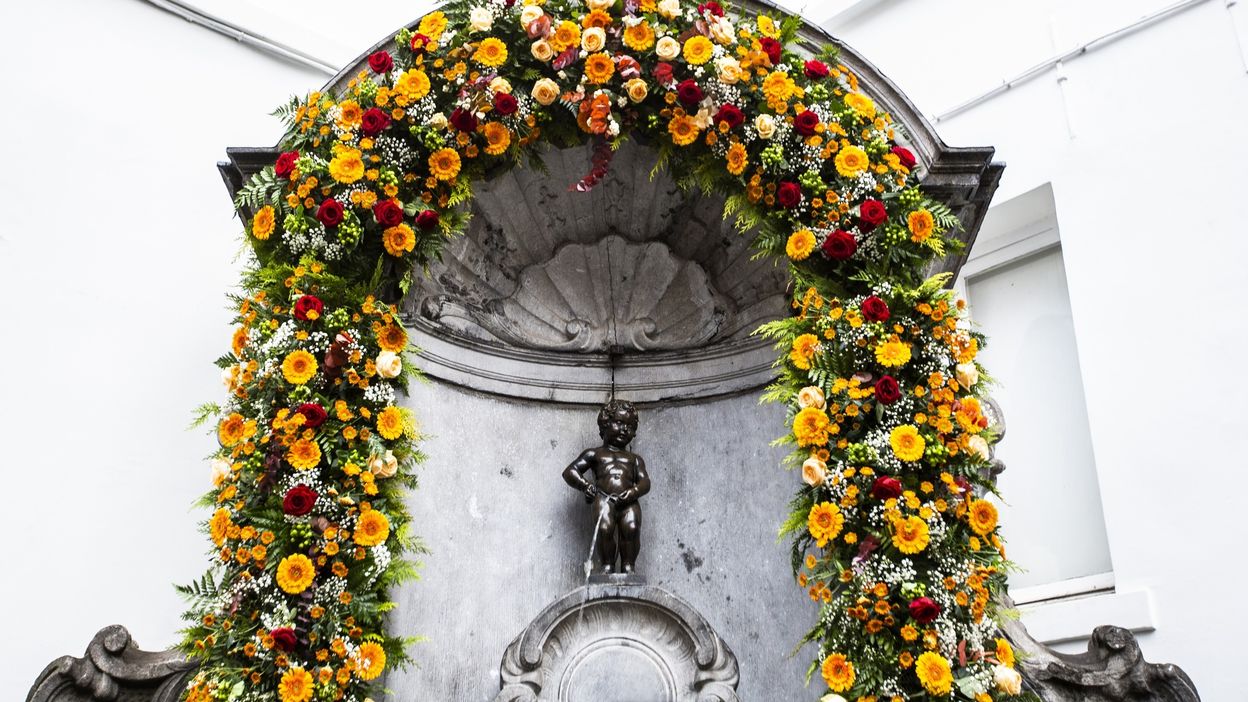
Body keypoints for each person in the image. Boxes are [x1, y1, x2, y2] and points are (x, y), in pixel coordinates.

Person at [562, 400, 650, 574]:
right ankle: (607, 565)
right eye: (619, 423)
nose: (624, 429)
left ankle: (628, 566)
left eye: (630, 426)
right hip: (604, 498)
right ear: (605, 424)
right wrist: (585, 486)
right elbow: (570, 471)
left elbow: (645, 482)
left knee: (631, 528)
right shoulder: (595, 453)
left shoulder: (635, 459)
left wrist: (633, 492)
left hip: (629, 500)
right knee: (604, 529)